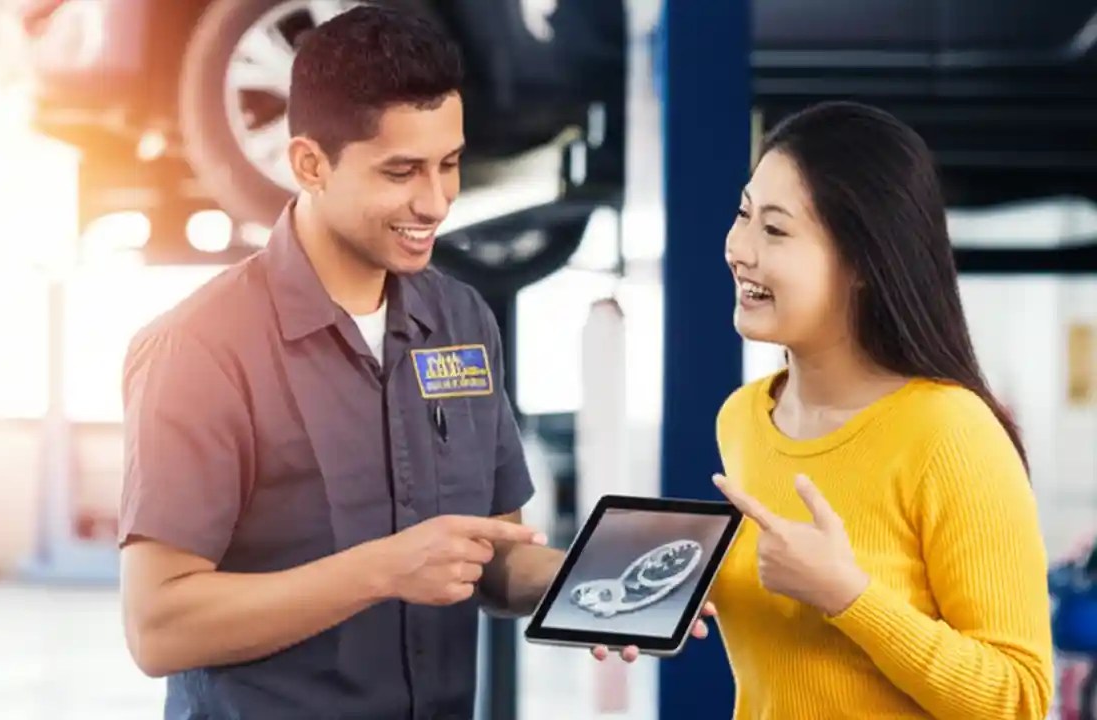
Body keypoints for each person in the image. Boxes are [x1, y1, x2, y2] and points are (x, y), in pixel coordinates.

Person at [116, 7, 712, 719]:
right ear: (309, 163)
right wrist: (383, 569)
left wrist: (594, 590)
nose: (434, 202)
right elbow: (159, 627)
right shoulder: (201, 350)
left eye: (449, 164)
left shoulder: (459, 323)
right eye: (400, 171)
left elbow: (487, 557)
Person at [598, 101, 1055, 719]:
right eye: (743, 213)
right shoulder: (742, 420)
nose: (738, 249)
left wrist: (848, 595)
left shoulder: (951, 432)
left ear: (864, 263)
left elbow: (1020, 698)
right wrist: (635, 601)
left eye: (776, 230)